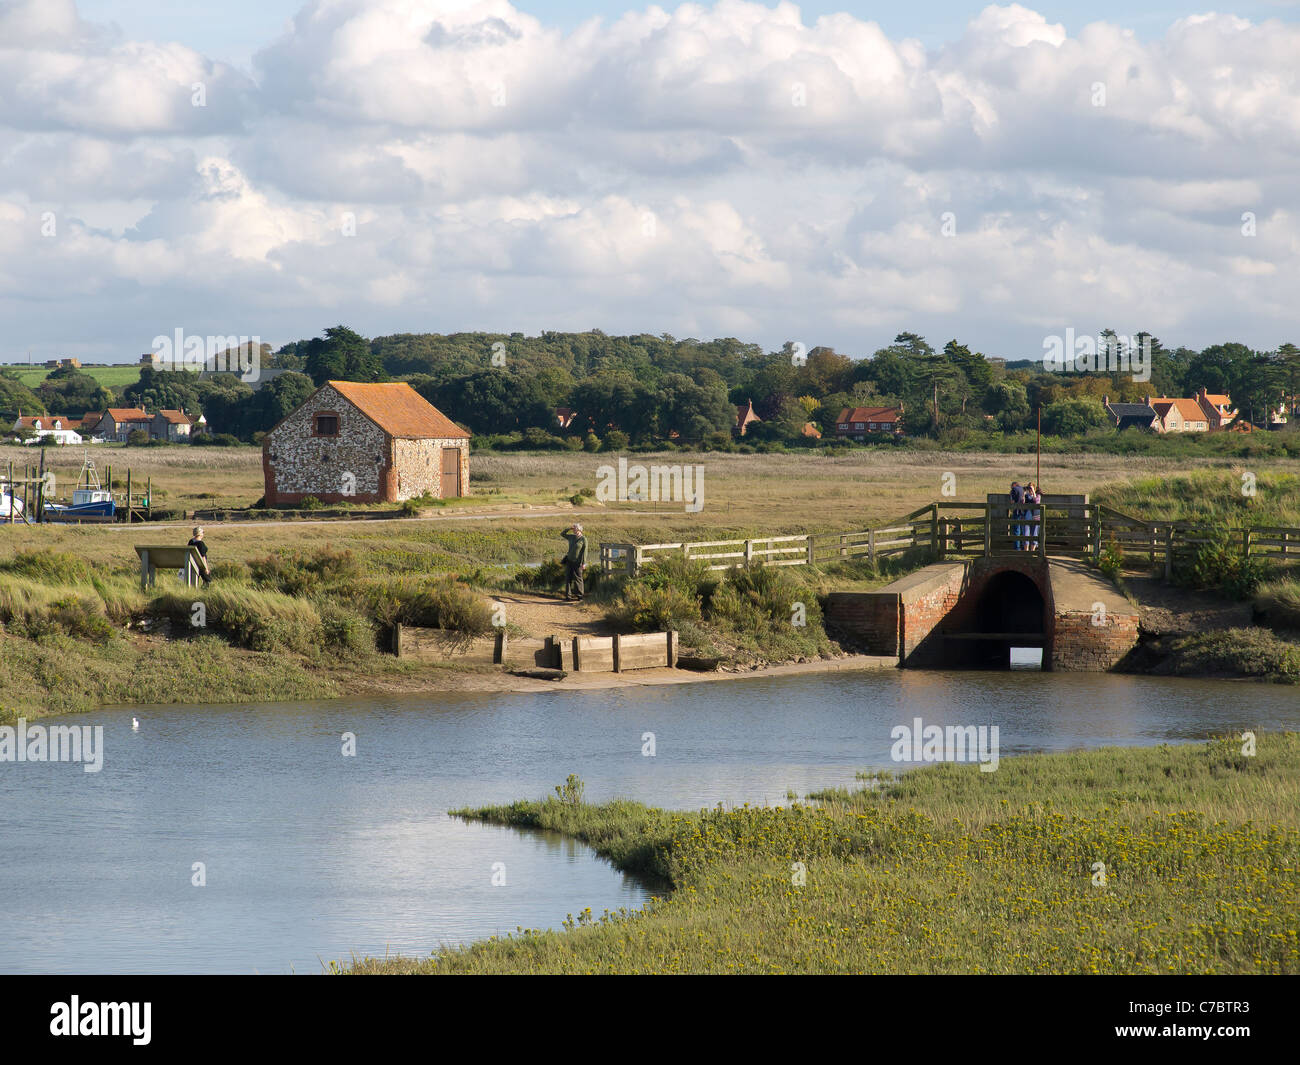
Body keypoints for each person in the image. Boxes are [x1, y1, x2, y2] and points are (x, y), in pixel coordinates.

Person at [561, 523, 586, 601]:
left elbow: (585, 552)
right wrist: (569, 528)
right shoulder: (571, 537)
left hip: (578, 562)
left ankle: (580, 596)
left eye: (575, 528)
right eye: (573, 528)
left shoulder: (583, 539)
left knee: (578, 579)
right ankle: (568, 596)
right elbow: (562, 534)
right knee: (568, 578)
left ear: (579, 529)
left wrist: (584, 563)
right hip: (569, 561)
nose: (574, 530)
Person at [1024, 482, 1042, 551]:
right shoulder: (1026, 495)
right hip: (1027, 515)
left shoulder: (1038, 495)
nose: (1030, 490)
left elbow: (1036, 502)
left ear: (1034, 488)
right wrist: (1024, 493)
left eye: (1031, 488)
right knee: (1026, 533)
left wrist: (1034, 492)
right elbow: (1022, 502)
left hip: (1035, 516)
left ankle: (1032, 551)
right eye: (1029, 488)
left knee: (1034, 533)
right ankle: (1026, 551)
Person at [1009, 481, 1024, 551]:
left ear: (1014, 485)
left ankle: (1017, 547)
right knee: (1023, 529)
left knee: (1016, 530)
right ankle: (1024, 546)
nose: (1011, 487)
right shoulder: (1022, 489)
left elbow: (1012, 501)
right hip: (1023, 511)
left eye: (1011, 486)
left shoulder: (1013, 490)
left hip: (1017, 511)